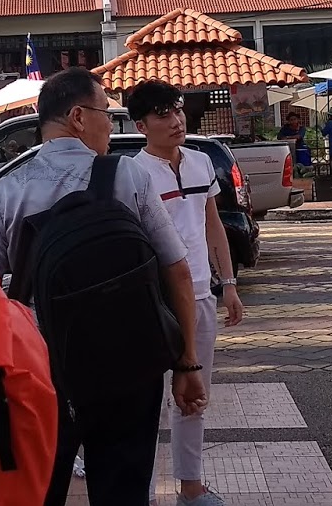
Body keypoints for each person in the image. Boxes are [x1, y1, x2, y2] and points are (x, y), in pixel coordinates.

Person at [0, 67, 205, 506]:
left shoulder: (7, 190)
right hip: (131, 364)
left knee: (40, 489)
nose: (109, 125)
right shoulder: (129, 178)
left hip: (43, 369)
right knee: (123, 491)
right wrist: (187, 363)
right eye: (104, 114)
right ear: (78, 117)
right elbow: (178, 270)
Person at [126, 81, 244, 506]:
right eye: (164, 115)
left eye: (178, 112)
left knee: (194, 394)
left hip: (199, 295)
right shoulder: (133, 175)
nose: (177, 122)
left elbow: (213, 226)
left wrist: (227, 284)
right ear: (141, 125)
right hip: (152, 302)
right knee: (140, 399)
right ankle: (129, 484)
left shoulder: (199, 163)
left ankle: (191, 486)